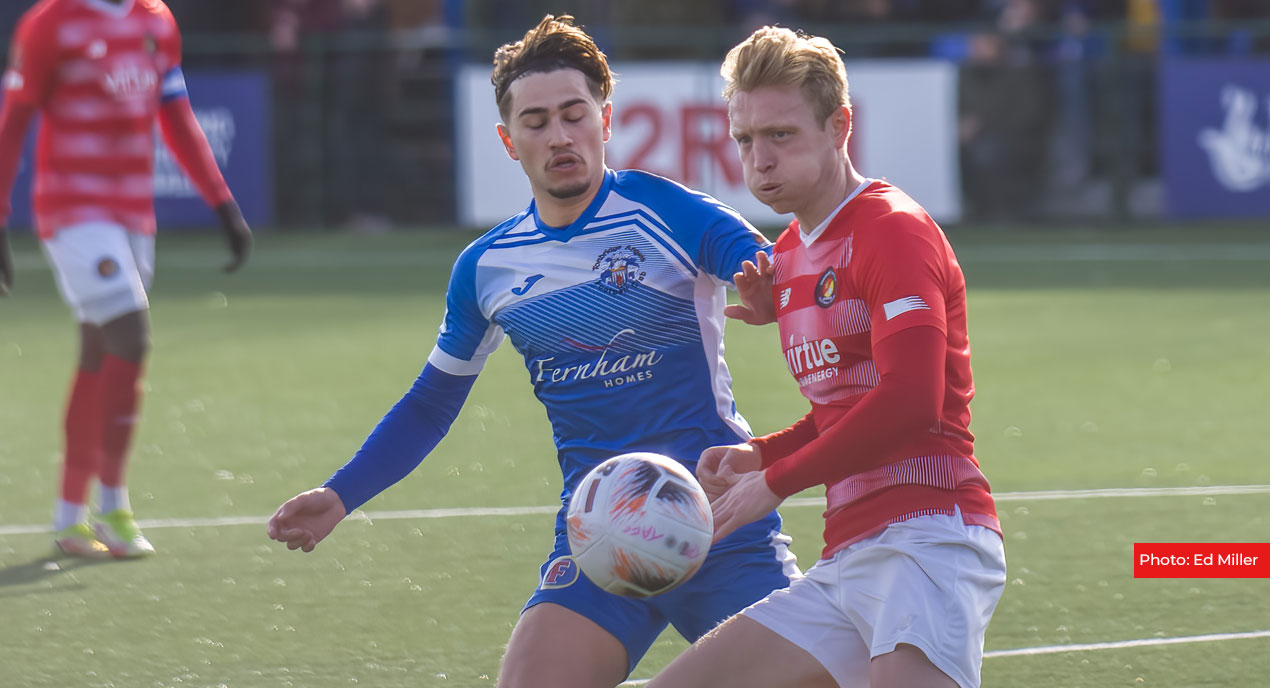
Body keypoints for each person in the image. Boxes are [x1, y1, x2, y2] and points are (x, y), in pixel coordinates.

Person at [266, 14, 798, 688]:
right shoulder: (486, 268)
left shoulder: (671, 213)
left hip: (720, 522)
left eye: (575, 115)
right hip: (598, 535)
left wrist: (771, 292)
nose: (559, 136)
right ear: (508, 140)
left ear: (605, 121)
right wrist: (341, 495)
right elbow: (432, 404)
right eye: (537, 121)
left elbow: (772, 270)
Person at [648, 26, 1005, 688]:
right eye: (746, 140)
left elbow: (909, 400)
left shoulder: (891, 230)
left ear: (839, 126)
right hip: (850, 558)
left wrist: (774, 484)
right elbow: (845, 410)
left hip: (928, 541)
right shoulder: (788, 252)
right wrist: (764, 453)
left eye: (780, 135)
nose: (759, 159)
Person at [0, 0, 254, 558]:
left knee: (97, 353)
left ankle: (69, 518)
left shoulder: (156, 19)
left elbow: (178, 116)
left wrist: (223, 205)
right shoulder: (51, 22)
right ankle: (114, 507)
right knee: (131, 339)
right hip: (72, 213)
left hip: (133, 216)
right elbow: (14, 118)